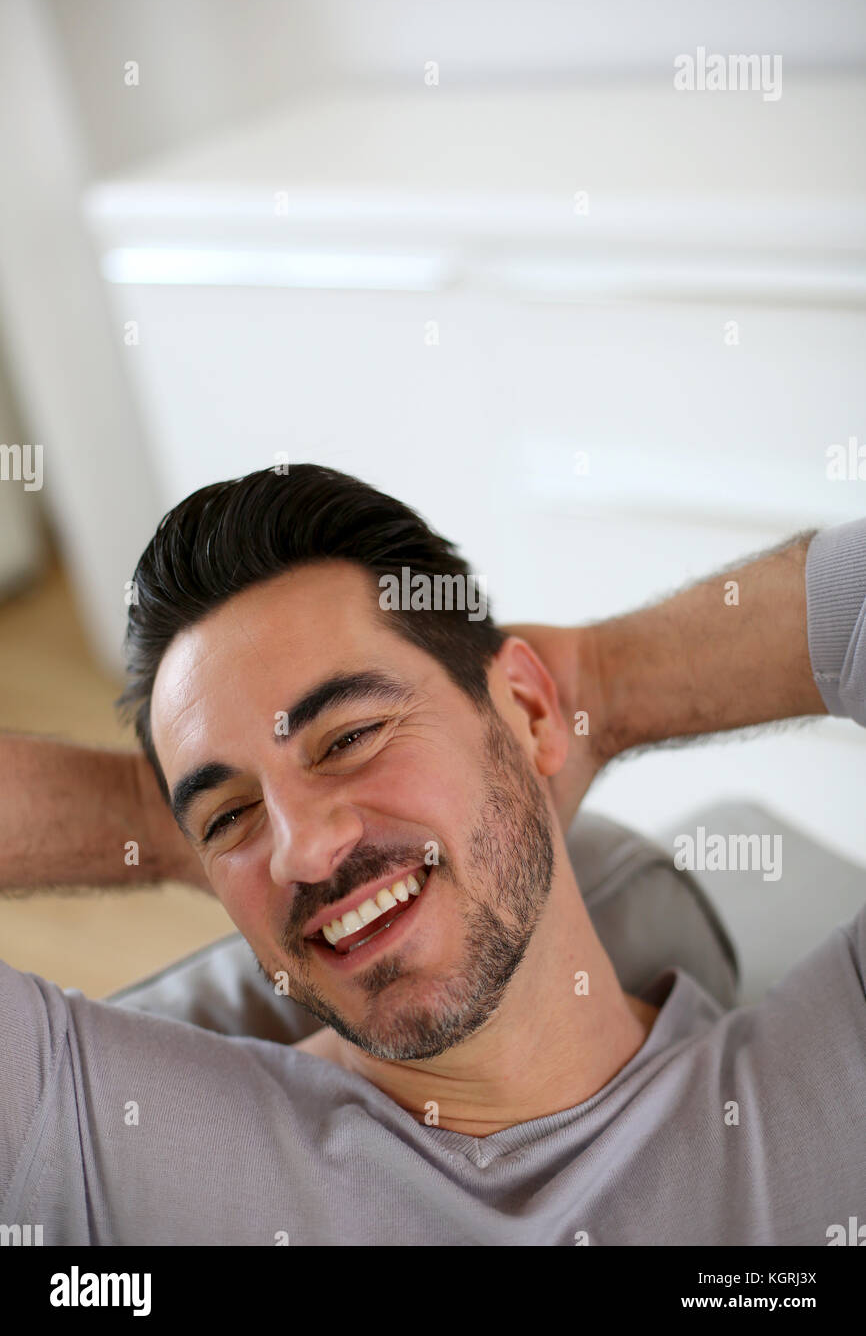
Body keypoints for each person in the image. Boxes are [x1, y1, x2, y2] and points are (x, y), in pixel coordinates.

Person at [1, 463, 863, 1246]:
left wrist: (596, 686)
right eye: (232, 818)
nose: (303, 853)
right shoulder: (131, 1145)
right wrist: (161, 820)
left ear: (525, 708)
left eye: (351, 737)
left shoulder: (818, 1099)